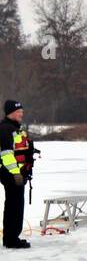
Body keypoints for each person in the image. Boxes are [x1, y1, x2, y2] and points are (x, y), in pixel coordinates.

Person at [1, 100, 33, 249]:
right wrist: (15, 173)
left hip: (19, 174)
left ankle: (11, 237)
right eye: (19, 111)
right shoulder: (5, 129)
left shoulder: (16, 129)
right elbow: (6, 154)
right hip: (11, 174)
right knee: (14, 205)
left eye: (22, 111)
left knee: (16, 205)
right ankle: (11, 239)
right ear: (10, 113)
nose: (22, 113)